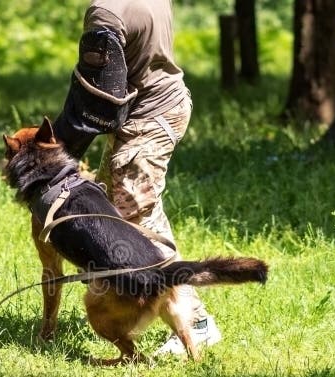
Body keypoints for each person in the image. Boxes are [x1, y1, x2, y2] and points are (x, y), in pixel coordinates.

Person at [52, 0, 221, 355]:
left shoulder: (105, 12)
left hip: (147, 119)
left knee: (136, 217)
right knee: (105, 210)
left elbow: (99, 98)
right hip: (165, 103)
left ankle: (197, 321)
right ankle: (124, 301)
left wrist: (57, 151)